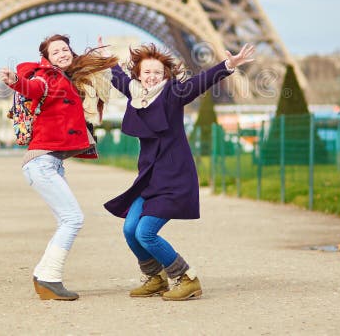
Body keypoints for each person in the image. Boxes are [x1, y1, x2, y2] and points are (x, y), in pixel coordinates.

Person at [103, 41, 255, 301]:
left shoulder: (173, 94)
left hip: (174, 177)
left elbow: (201, 82)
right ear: (138, 74)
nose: (152, 77)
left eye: (158, 73)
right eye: (147, 72)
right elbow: (118, 77)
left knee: (145, 233)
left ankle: (186, 278)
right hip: (149, 179)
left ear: (166, 75)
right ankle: (155, 277)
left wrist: (229, 64)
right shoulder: (135, 94)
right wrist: (108, 58)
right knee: (130, 230)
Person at [0, 34, 116, 301]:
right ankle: (50, 278)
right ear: (47, 58)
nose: (63, 53)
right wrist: (16, 82)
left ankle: (44, 276)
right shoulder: (48, 77)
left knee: (68, 220)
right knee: (73, 219)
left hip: (50, 163)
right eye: (56, 51)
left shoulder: (69, 80)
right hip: (41, 163)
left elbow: (100, 87)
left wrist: (102, 55)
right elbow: (34, 88)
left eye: (65, 49)